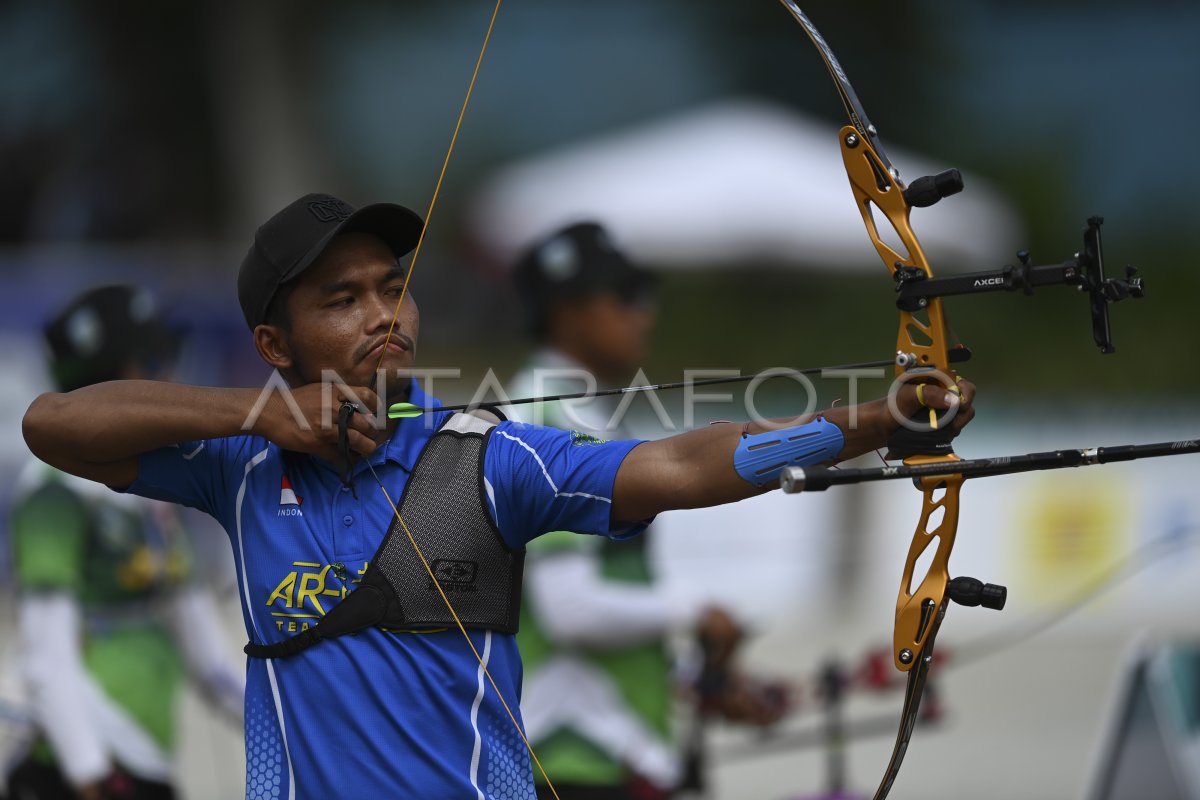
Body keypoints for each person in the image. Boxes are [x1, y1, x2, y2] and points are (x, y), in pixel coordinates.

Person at [20, 193, 975, 799]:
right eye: (341, 299)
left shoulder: (489, 459)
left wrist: (870, 422)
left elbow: (681, 466)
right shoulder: (237, 470)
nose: (384, 314)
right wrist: (259, 415)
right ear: (277, 345)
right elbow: (53, 423)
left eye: (393, 287)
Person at [507, 222, 784, 799]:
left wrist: (695, 680)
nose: (645, 314)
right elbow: (569, 610)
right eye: (625, 297)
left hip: (604, 751)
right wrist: (699, 611)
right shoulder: (544, 412)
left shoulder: (577, 406)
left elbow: (602, 589)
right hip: (571, 754)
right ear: (567, 310)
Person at [8, 286, 245, 800]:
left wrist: (307, 732)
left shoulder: (155, 488)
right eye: (156, 360)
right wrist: (91, 773)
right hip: (84, 774)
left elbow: (210, 660)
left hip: (141, 768)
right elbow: (46, 655)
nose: (173, 377)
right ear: (109, 385)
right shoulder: (53, 494)